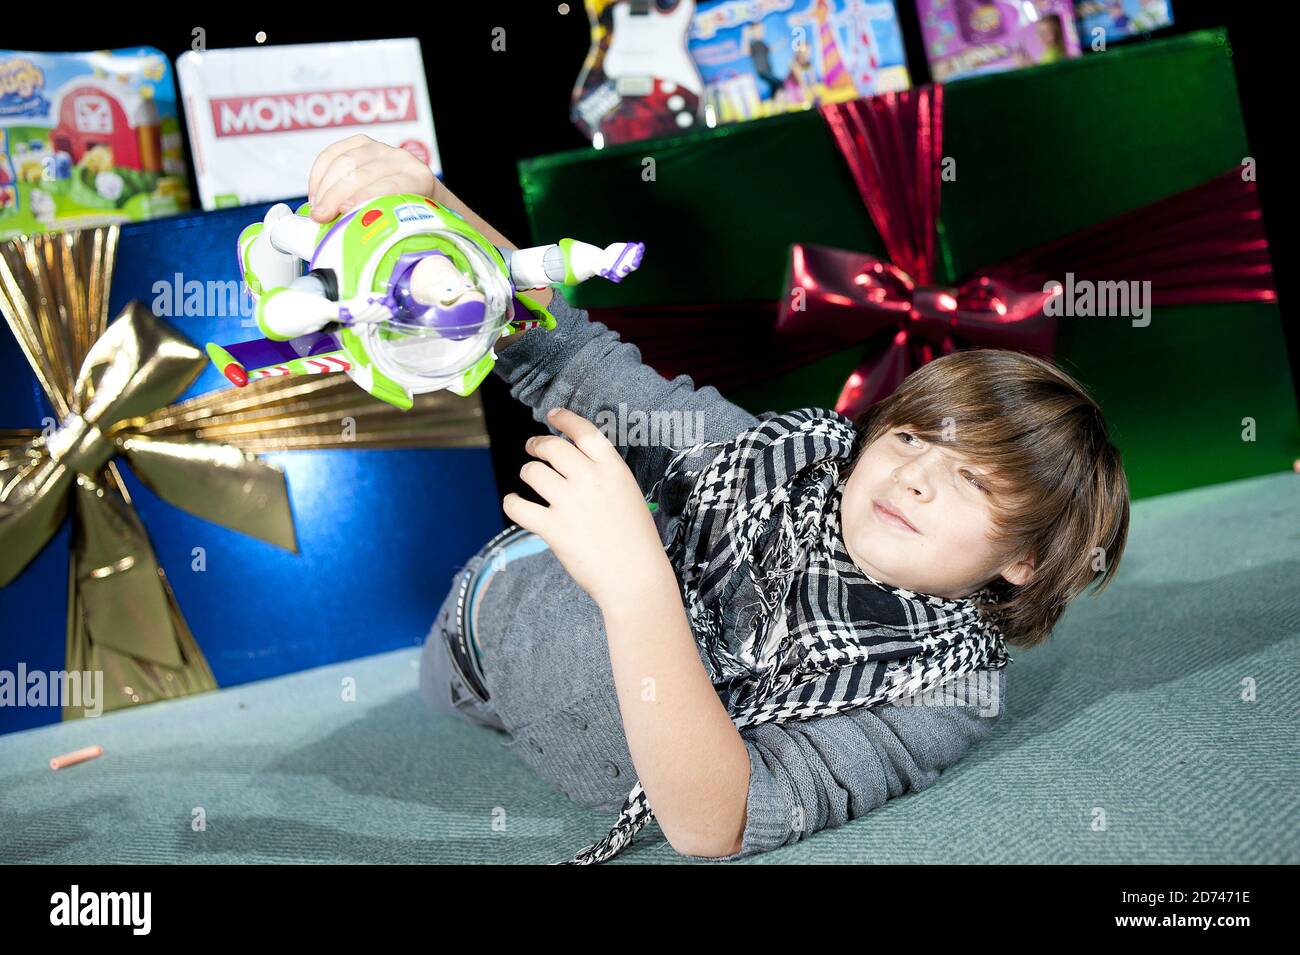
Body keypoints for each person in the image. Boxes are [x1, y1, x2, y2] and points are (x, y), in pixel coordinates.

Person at [307, 134, 1131, 863]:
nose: (916, 474)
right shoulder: (767, 455)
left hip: (575, 594)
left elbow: (720, 820)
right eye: (914, 437)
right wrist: (431, 202)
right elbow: (573, 358)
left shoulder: (946, 693)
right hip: (476, 625)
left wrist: (637, 587)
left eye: (973, 479)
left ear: (1026, 557)